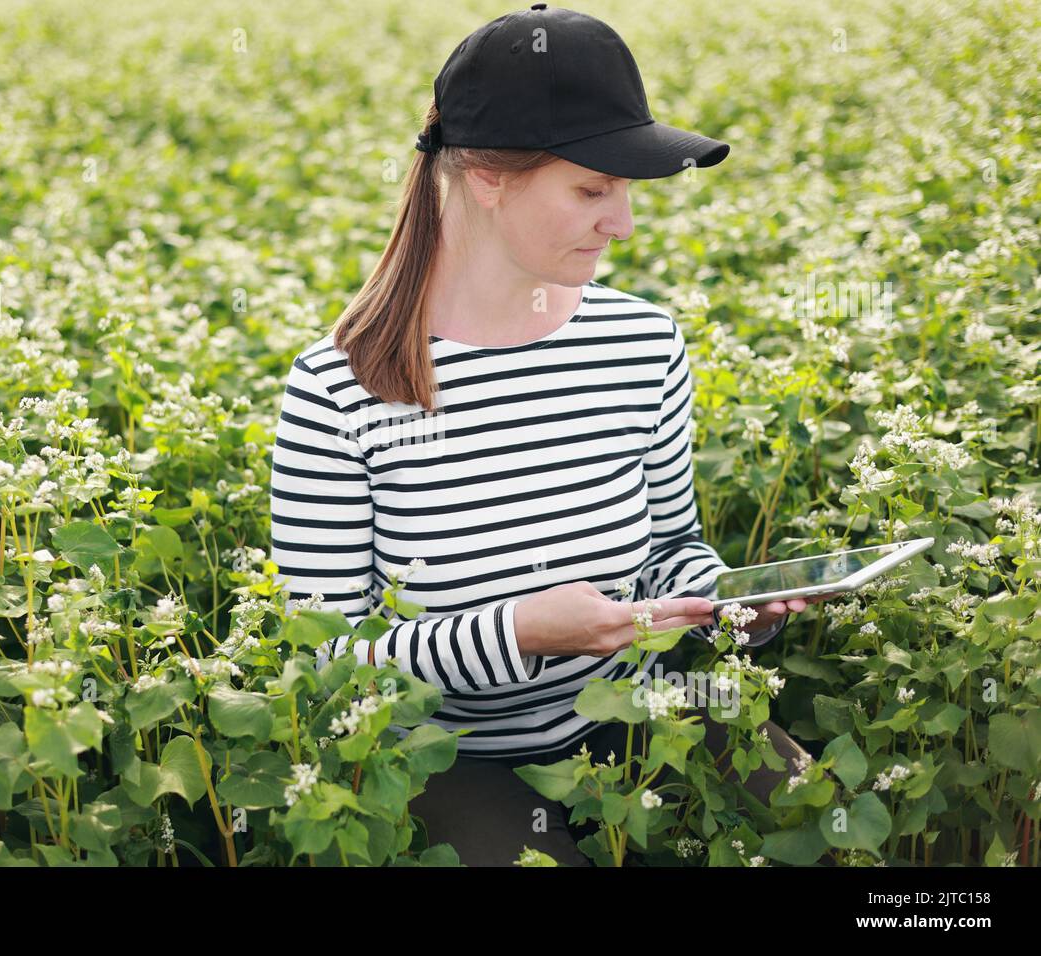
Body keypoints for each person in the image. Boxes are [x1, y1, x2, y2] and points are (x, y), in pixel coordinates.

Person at [268, 4, 834, 866]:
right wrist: (519, 633)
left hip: (644, 705)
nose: (624, 223)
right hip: (449, 754)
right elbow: (326, 669)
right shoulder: (337, 388)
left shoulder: (641, 341)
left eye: (627, 191)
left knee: (836, 829)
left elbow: (670, 544)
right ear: (489, 177)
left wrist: (727, 601)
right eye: (593, 188)